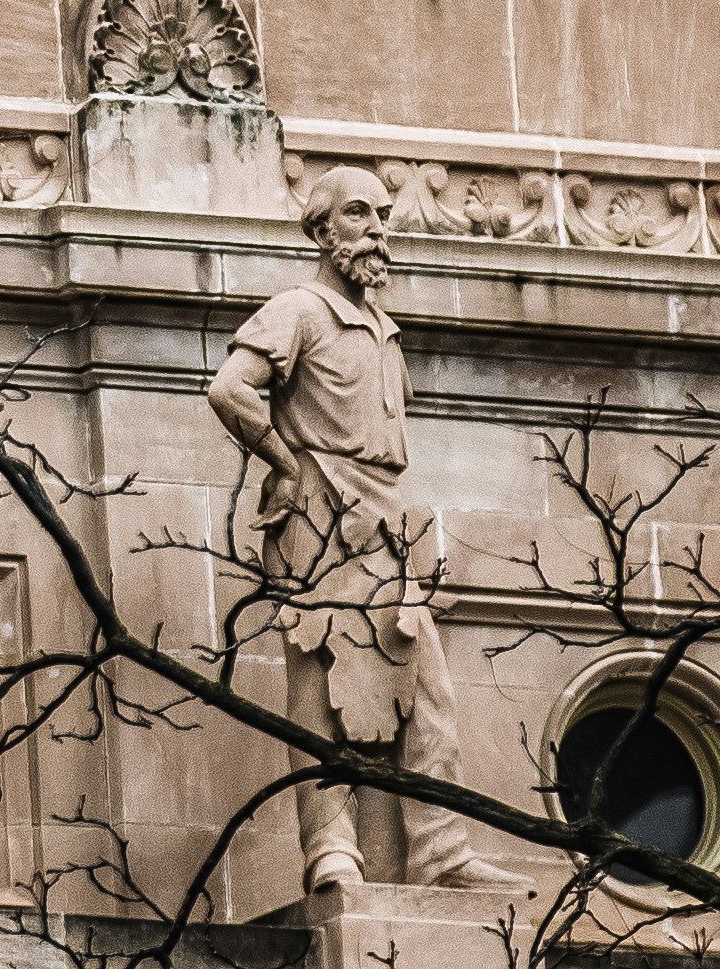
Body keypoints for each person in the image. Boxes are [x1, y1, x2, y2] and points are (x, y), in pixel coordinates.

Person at [207, 167, 506, 899]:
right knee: (318, 681)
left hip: (385, 518)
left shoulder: (380, 325)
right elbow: (230, 388)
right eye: (359, 213)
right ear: (322, 230)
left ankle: (439, 846)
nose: (378, 226)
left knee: (427, 683)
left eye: (383, 213)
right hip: (321, 514)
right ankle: (330, 849)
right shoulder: (298, 309)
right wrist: (283, 461)